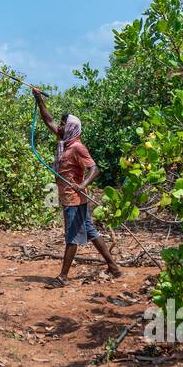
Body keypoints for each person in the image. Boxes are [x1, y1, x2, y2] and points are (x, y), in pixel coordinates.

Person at [32, 87, 121, 286]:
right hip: (69, 196)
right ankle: (113, 267)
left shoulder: (77, 147)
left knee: (72, 235)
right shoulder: (64, 141)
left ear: (71, 127)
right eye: (61, 123)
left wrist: (83, 184)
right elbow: (48, 121)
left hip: (74, 198)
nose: (60, 126)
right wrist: (39, 99)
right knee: (90, 231)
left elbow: (94, 169)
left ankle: (63, 277)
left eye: (63, 124)